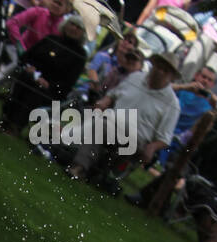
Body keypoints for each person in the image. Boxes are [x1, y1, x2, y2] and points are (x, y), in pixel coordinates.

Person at [68, 50, 181, 180]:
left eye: (166, 70)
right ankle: (81, 166)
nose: (160, 72)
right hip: (111, 122)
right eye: (159, 66)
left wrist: (152, 147)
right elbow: (114, 93)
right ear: (153, 65)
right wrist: (104, 101)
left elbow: (165, 138)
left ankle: (83, 166)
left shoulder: (172, 104)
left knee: (101, 127)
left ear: (172, 77)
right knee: (99, 123)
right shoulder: (135, 77)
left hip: (135, 139)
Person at [0, 11, 87, 136]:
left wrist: (49, 84)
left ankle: (16, 125)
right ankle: (7, 117)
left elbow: (68, 83)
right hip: (32, 75)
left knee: (36, 90)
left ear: (83, 33)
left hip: (52, 90)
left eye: (79, 28)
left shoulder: (80, 55)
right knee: (25, 78)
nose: (74, 28)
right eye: (72, 24)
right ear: (65, 24)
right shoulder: (51, 39)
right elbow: (26, 57)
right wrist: (30, 67)